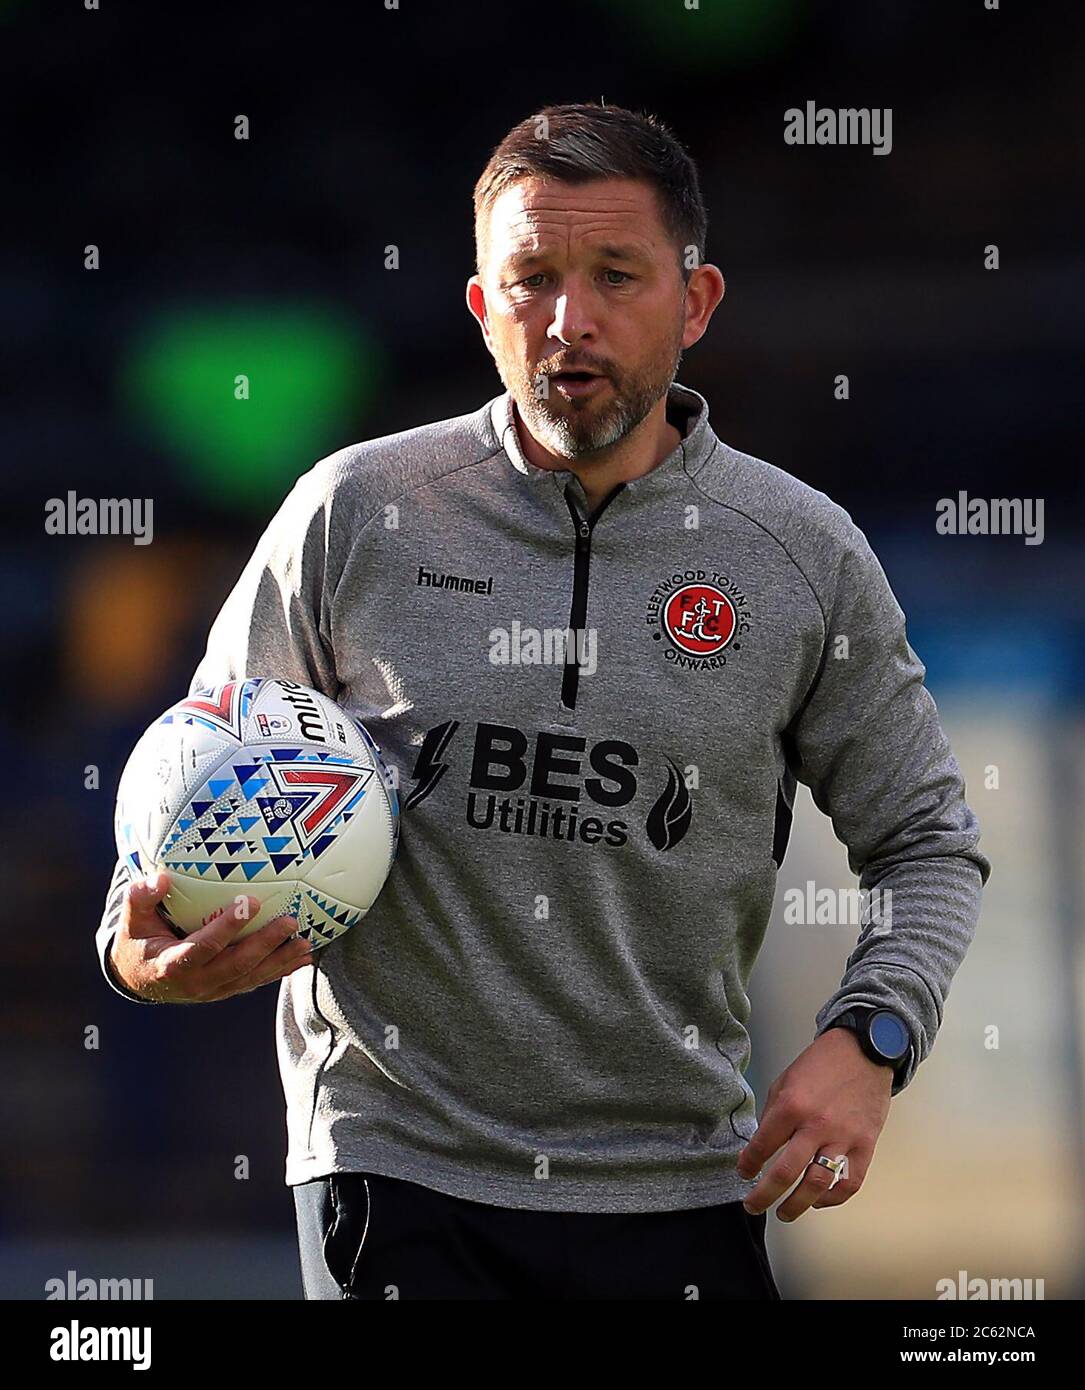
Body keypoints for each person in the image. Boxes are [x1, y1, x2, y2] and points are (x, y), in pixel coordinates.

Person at [96, 102, 991, 1300]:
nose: (569, 319)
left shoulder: (798, 554)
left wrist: (870, 1041)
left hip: (680, 1180)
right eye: (529, 280)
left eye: (615, 275)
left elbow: (926, 842)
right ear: (480, 307)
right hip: (394, 1171)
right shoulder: (353, 512)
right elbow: (190, 766)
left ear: (696, 298)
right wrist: (134, 941)